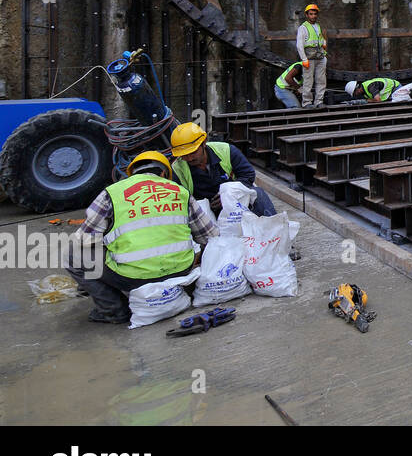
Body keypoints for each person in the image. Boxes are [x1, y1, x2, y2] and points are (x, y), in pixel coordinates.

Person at [66, 151, 217, 324]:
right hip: (181, 271)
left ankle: (113, 310)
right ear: (163, 174)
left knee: (73, 256)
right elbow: (210, 237)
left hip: (133, 278)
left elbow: (85, 240)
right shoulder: (180, 192)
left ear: (132, 174)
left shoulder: (112, 193)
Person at [169, 122, 275, 218]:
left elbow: (248, 175)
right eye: (184, 155)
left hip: (236, 201)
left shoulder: (226, 150)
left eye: (193, 152)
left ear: (204, 143)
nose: (189, 158)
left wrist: (227, 196)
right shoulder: (177, 169)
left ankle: (274, 230)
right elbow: (181, 201)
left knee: (258, 194)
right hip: (204, 211)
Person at [296, 3, 328, 107]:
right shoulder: (303, 28)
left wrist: (324, 44)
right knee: (308, 81)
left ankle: (319, 101)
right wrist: (304, 59)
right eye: (311, 14)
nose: (313, 16)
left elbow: (320, 39)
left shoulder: (317, 26)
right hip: (309, 58)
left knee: (321, 80)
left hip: (320, 57)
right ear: (307, 15)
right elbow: (299, 45)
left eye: (315, 14)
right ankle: (307, 102)